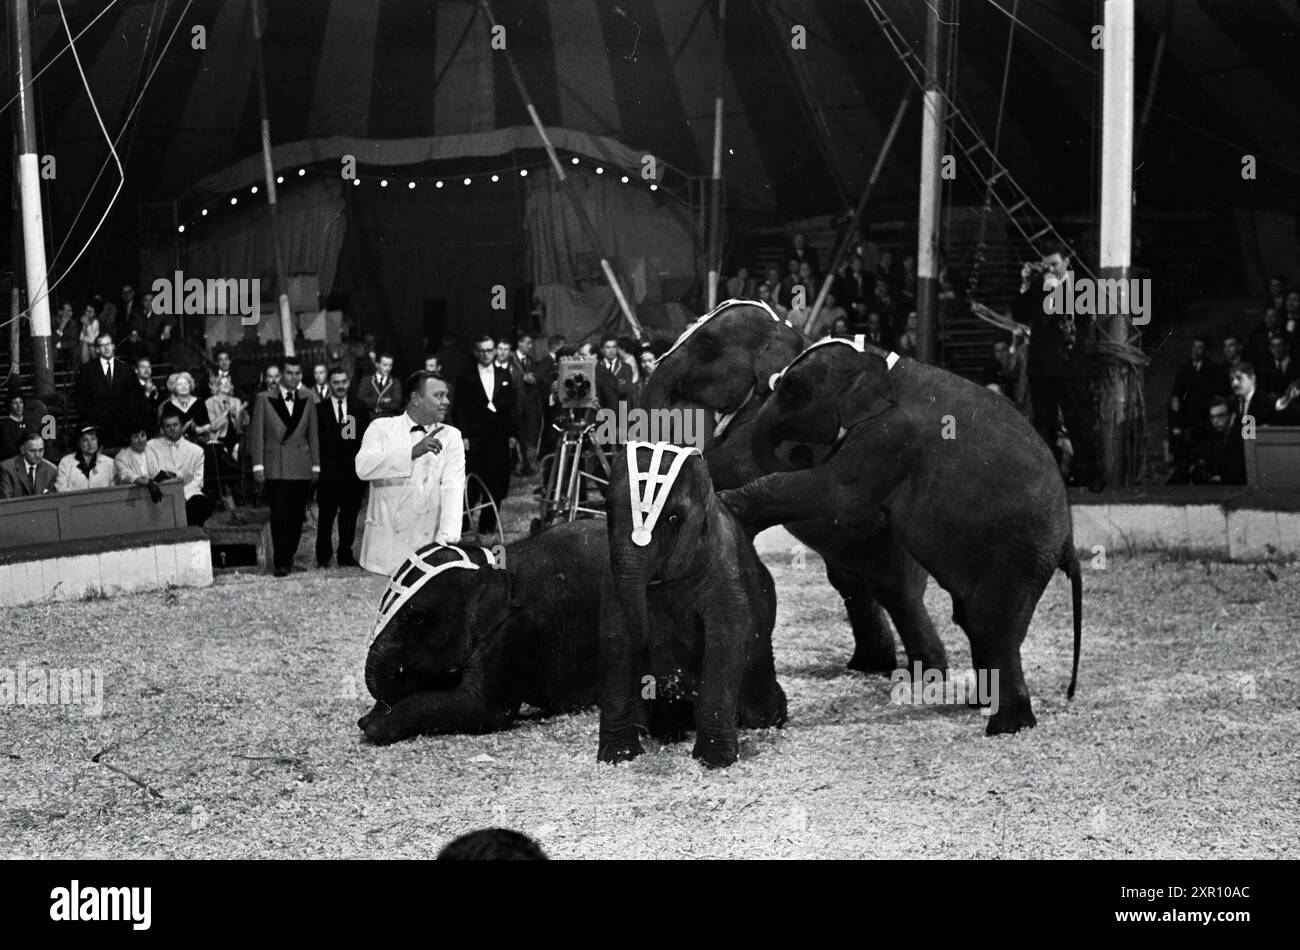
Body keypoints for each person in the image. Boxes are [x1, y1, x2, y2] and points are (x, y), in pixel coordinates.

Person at [1011, 242, 1103, 491]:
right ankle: (1050, 480)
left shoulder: (1084, 284)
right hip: (1041, 367)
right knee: (1044, 424)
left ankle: (1090, 477)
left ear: (1067, 260)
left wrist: (1055, 293)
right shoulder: (1041, 284)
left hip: (1070, 367)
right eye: (1046, 264)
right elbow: (1019, 314)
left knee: (1079, 422)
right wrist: (1025, 285)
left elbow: (1080, 314)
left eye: (1054, 264)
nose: (1050, 268)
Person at [354, 370, 464, 574]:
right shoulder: (381, 427)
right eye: (439, 395)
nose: (446, 401)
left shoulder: (452, 436)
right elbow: (363, 467)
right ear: (415, 398)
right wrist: (411, 453)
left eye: (446, 395)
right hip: (385, 546)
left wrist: (448, 539)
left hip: (427, 542)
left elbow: (453, 487)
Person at [248, 357, 320, 576]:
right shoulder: (264, 398)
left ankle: (289, 557)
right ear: (281, 375)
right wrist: (258, 465)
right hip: (275, 464)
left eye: (298, 373)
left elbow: (313, 434)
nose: (294, 377)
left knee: (297, 516)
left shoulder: (308, 397)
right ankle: (281, 562)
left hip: (300, 463)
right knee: (279, 514)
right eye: (289, 373)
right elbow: (257, 433)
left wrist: (316, 464)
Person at [454, 336, 515, 535]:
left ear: (495, 351)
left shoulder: (504, 374)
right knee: (471, 483)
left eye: (490, 350)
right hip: (475, 438)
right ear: (475, 352)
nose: (486, 354)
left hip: (499, 438)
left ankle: (487, 526)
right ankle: (462, 526)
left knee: (496, 482)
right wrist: (463, 436)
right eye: (482, 351)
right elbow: (460, 408)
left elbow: (512, 407)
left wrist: (513, 435)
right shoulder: (466, 376)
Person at [316, 367, 369, 568]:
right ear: (330, 384)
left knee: (349, 517)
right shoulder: (319, 410)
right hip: (328, 475)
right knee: (326, 517)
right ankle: (323, 556)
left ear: (348, 383)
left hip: (351, 474)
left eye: (343, 381)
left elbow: (363, 440)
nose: (340, 386)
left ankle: (345, 554)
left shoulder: (358, 408)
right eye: (336, 382)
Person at [148, 406, 212, 525]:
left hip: (188, 495)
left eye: (175, 425)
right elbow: (152, 473)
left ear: (182, 426)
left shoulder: (196, 451)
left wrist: (180, 495)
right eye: (168, 426)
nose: (172, 429)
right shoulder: (151, 446)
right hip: (162, 494)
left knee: (199, 503)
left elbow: (198, 481)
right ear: (162, 429)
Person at [73, 332, 136, 447]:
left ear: (113, 346)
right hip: (97, 427)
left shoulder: (125, 369)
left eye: (109, 344)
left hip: (122, 427)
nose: (107, 348)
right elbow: (80, 398)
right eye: (102, 345)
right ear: (97, 350)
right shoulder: (86, 370)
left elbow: (132, 396)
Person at [1167, 337, 1219, 473]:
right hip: (1187, 417)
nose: (1195, 351)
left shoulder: (1213, 369)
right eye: (1194, 347)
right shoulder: (1184, 369)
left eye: (1200, 347)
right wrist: (1176, 422)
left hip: (1206, 417)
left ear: (1207, 351)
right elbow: (1176, 396)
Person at [1181, 397, 1246, 485]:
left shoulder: (1239, 436)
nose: (1215, 421)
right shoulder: (1217, 434)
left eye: (1220, 416)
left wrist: (1221, 478)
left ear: (1232, 416)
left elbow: (1241, 469)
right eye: (1212, 417)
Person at [513, 333, 542, 476]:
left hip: (529, 405)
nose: (530, 346)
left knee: (530, 436)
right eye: (528, 343)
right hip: (516, 404)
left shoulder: (530, 361)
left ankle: (527, 465)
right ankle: (519, 465)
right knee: (518, 436)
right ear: (520, 343)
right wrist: (522, 377)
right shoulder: (511, 359)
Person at [54, 426, 114, 491]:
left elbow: (115, 491)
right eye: (85, 440)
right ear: (78, 443)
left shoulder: (109, 463)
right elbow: (61, 490)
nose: (90, 443)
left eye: (93, 439)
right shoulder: (66, 463)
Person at [158, 371, 211, 442]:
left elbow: (208, 425)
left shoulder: (199, 402)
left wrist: (198, 429)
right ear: (174, 388)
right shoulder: (168, 406)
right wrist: (183, 429)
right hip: (176, 442)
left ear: (190, 385)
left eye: (186, 383)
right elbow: (163, 431)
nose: (184, 387)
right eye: (180, 384)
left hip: (198, 441)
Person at [0, 433, 57, 498]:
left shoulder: (51, 470)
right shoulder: (7, 468)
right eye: (33, 451)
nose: (38, 455)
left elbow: (52, 501)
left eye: (41, 450)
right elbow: (6, 502)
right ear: (22, 450)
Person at [357, 352, 402, 418]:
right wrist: (382, 400)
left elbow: (395, 404)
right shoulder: (366, 380)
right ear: (377, 364)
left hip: (388, 419)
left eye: (390, 365)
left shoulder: (396, 382)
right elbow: (361, 401)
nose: (388, 368)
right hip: (369, 419)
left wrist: (372, 402)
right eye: (385, 365)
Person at [595, 334, 632, 411]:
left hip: (621, 412)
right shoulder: (597, 368)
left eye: (614, 347)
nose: (611, 350)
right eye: (608, 347)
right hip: (602, 412)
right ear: (602, 349)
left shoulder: (626, 367)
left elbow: (626, 391)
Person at [1256, 331, 1297, 396]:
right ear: (1270, 348)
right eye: (1273, 346)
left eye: (1279, 346)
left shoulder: (1296, 364)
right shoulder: (1265, 366)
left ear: (1287, 347)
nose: (1276, 349)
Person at [53, 302, 80, 370]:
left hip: (65, 349)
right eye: (68, 311)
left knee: (76, 349)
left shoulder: (72, 323)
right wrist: (61, 327)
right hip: (54, 349)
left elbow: (74, 341)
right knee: (53, 351)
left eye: (71, 311)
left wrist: (60, 345)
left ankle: (72, 374)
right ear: (60, 312)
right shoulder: (51, 322)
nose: (70, 314)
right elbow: (51, 341)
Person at [1, 394, 27, 461]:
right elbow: (9, 451)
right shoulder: (6, 426)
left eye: (20, 402)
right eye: (15, 403)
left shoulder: (28, 421)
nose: (19, 406)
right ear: (9, 406)